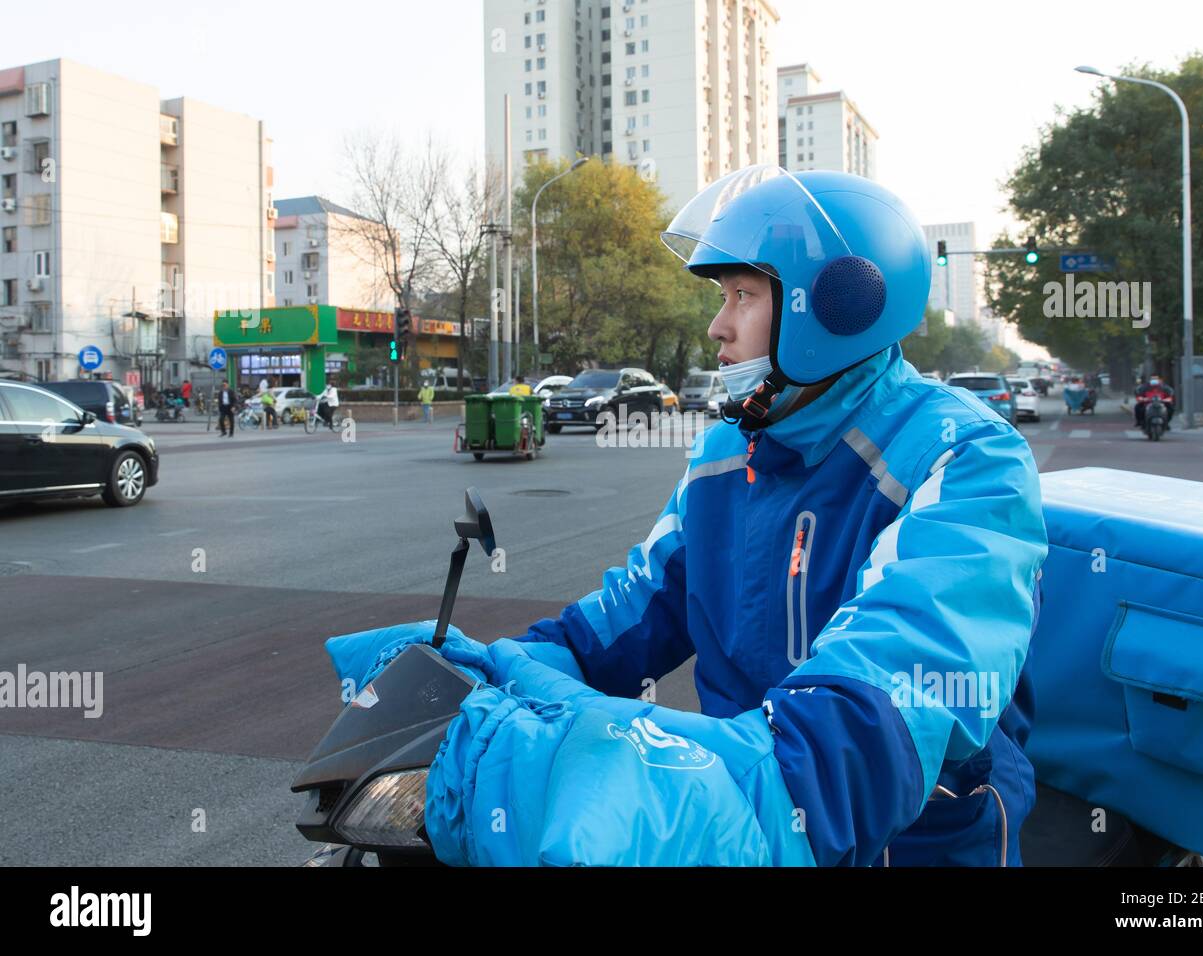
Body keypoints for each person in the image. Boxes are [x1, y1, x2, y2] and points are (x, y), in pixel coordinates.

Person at [323, 166, 1047, 867]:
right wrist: (487, 671)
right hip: (724, 811)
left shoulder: (964, 459)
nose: (715, 327)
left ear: (833, 307)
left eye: (740, 296)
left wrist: (543, 775)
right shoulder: (729, 452)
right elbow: (620, 623)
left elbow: (850, 751)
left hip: (903, 841)